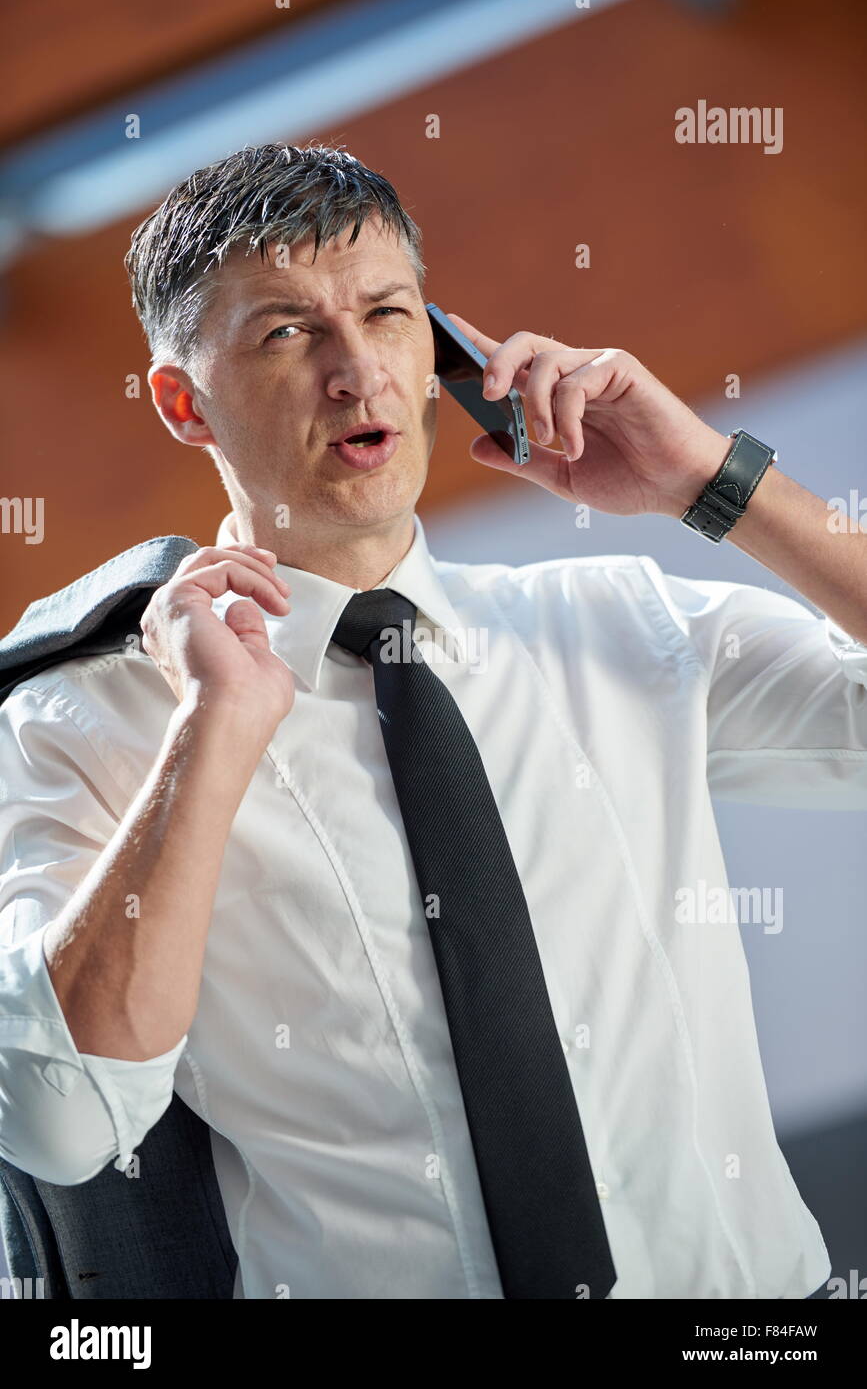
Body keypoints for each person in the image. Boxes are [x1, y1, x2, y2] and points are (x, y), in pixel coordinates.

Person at [1, 142, 865, 1300]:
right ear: (181, 402)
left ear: (436, 351)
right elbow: (58, 1119)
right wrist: (212, 733)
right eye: (287, 332)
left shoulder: (616, 621)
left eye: (388, 314)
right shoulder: (87, 715)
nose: (356, 372)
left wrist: (711, 480)